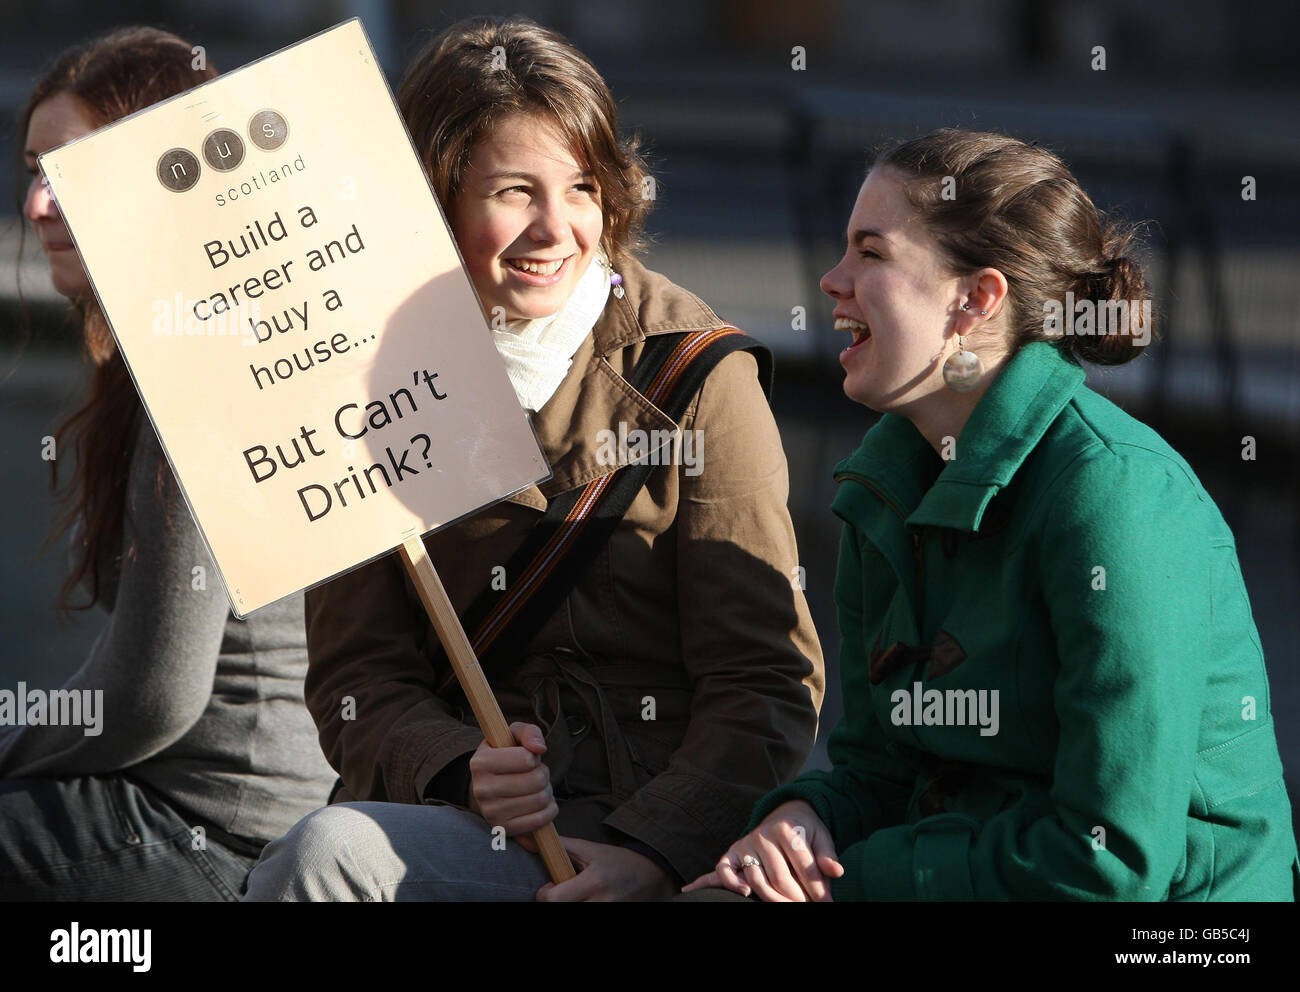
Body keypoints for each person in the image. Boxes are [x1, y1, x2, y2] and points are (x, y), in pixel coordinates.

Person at [242, 16, 824, 902]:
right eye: (515, 192)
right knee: (323, 854)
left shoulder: (697, 372)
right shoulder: (359, 369)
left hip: (657, 840)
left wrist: (652, 853)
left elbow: (765, 681)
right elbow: (357, 678)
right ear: (435, 200)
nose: (556, 228)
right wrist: (457, 766)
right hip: (465, 827)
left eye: (584, 187)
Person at [685, 128, 1300, 901]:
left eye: (871, 254)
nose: (833, 280)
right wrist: (804, 823)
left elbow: (1109, 861)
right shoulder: (884, 486)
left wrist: (850, 884)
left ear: (975, 300)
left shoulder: (1115, 495)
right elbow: (881, 769)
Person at [1, 26, 336, 900]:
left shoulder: (213, 356)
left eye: (69, 171)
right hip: (211, 813)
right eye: (34, 171)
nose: (37, 206)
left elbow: (154, 695)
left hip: (219, 838)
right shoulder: (209, 339)